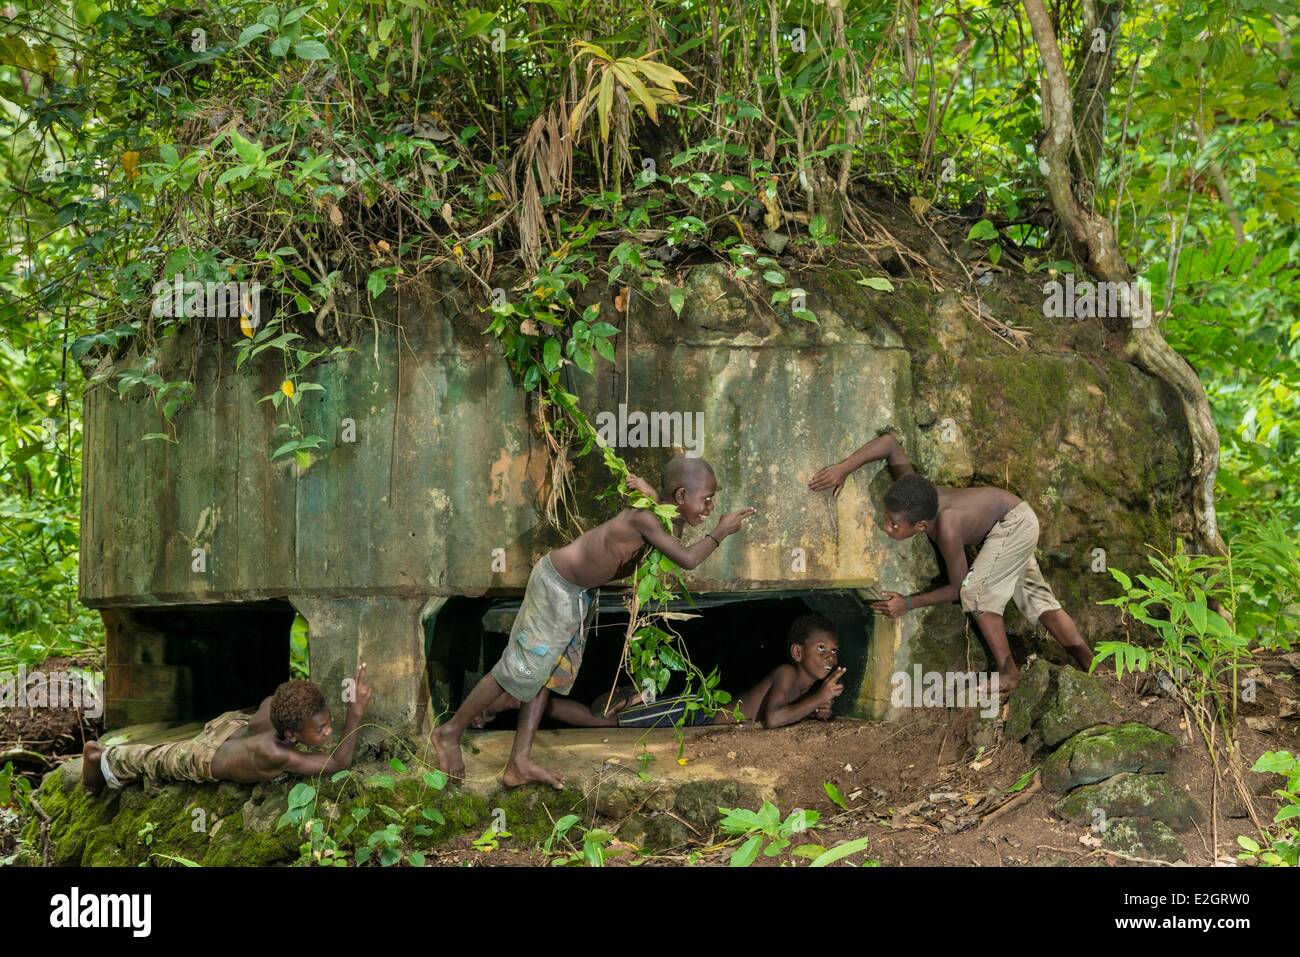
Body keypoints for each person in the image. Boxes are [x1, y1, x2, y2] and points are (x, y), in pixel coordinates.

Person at [431, 457, 754, 789]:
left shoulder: (659, 514)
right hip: (557, 586)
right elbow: (686, 558)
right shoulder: (646, 518)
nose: (711, 506)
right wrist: (720, 532)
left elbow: (674, 534)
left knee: (546, 678)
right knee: (518, 668)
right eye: (708, 498)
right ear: (682, 494)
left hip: (575, 594)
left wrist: (661, 499)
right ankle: (450, 731)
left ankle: (519, 763)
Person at [809, 433, 1092, 692]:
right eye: (887, 518)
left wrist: (908, 603)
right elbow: (890, 444)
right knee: (1038, 600)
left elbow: (959, 588)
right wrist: (844, 468)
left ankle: (1009, 672)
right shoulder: (914, 492)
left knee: (975, 594)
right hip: (1013, 520)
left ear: (920, 526)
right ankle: (1093, 666)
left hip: (1013, 523)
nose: (887, 527)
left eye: (895, 525)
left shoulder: (948, 527)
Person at [81, 664, 373, 793]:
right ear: (292, 735)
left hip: (230, 725)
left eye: (328, 724)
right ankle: (97, 755)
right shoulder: (274, 753)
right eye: (320, 729)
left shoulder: (277, 706)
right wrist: (355, 712)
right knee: (154, 758)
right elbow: (338, 762)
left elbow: (289, 700)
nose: (328, 732)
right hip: (206, 755)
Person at [604, 613, 845, 729]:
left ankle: (637, 699)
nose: (829, 656)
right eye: (821, 648)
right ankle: (627, 699)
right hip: (695, 713)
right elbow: (774, 719)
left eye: (834, 651)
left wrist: (818, 708)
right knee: (604, 723)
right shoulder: (786, 673)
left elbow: (793, 712)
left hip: (698, 719)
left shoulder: (809, 688)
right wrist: (818, 699)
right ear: (797, 652)